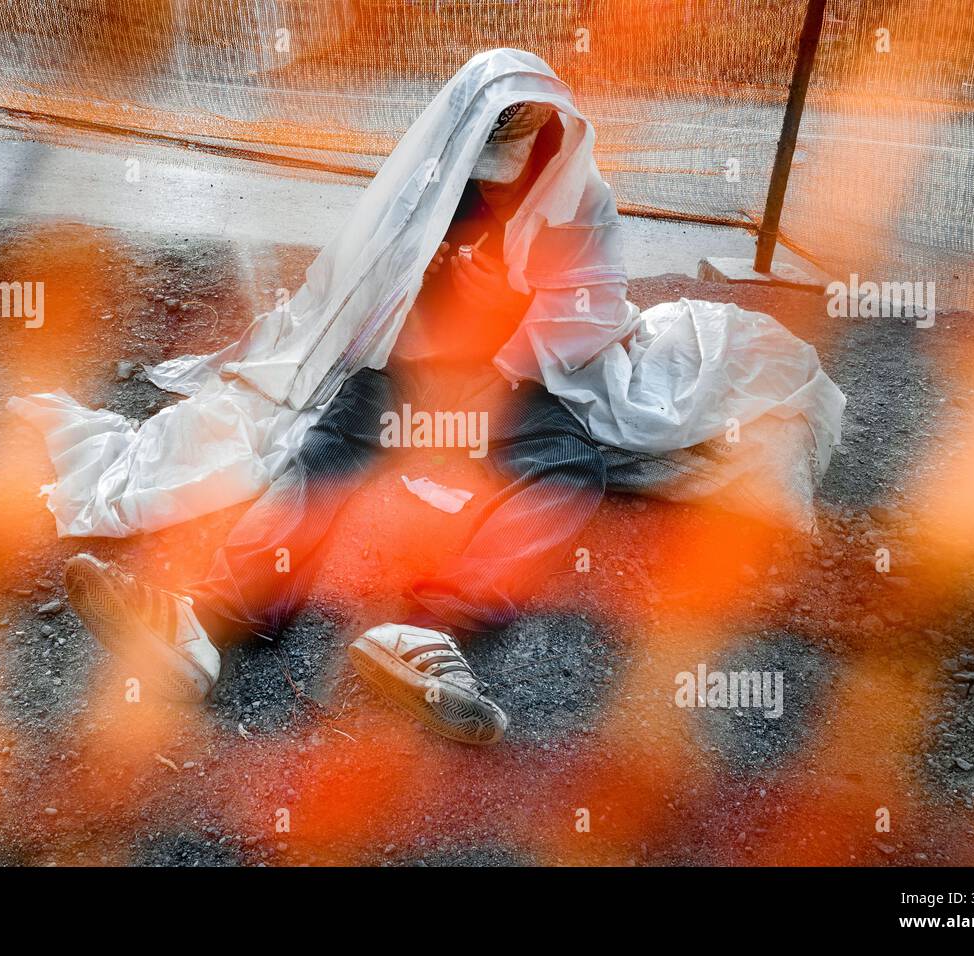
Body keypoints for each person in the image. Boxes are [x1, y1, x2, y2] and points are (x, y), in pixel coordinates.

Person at [65, 101, 602, 745]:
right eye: (483, 167)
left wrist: (515, 316)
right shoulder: (431, 185)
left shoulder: (577, 201)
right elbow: (352, 301)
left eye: (509, 170)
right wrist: (413, 285)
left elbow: (591, 320)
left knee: (571, 466)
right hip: (404, 376)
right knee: (323, 455)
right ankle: (201, 623)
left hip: (511, 386)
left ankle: (430, 635)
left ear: (548, 153)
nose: (493, 184)